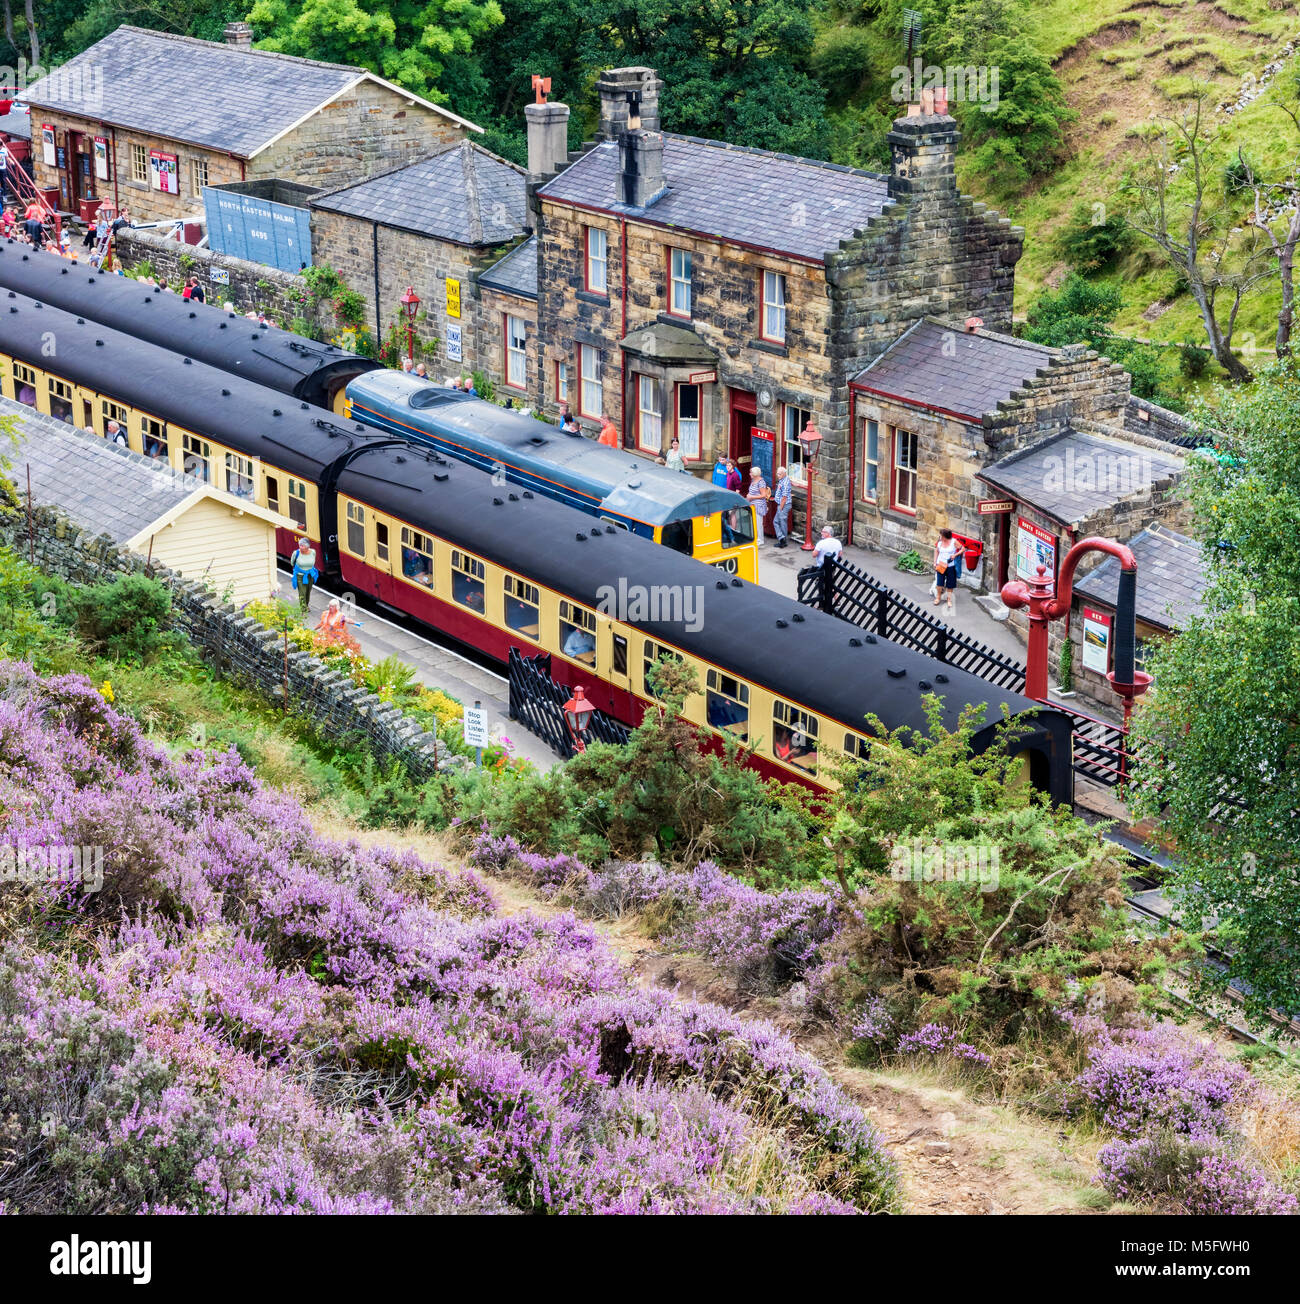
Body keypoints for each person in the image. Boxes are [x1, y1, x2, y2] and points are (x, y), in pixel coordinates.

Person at [933, 527, 963, 610]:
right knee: (939, 583)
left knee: (950, 584)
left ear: (945, 536)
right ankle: (938, 597)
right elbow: (936, 551)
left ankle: (949, 599)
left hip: (950, 566)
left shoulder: (954, 542)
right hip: (941, 565)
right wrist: (935, 562)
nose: (940, 536)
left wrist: (955, 555)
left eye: (941, 535)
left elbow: (962, 548)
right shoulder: (939, 542)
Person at [290, 537, 318, 614]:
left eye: (302, 546)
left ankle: (306, 605)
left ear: (307, 546)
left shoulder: (313, 552)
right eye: (300, 545)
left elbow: (313, 562)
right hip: (300, 575)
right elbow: (292, 563)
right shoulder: (296, 553)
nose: (300, 547)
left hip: (310, 575)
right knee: (302, 593)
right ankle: (303, 609)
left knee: (308, 591)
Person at [746, 466, 770, 541]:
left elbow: (763, 495)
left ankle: (760, 539)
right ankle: (755, 538)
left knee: (758, 523)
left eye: (751, 473)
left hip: (758, 506)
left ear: (755, 474)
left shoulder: (761, 482)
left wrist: (751, 497)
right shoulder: (753, 481)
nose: (750, 474)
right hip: (752, 504)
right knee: (754, 522)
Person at [772, 466, 792, 548]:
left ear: (784, 474)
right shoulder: (782, 480)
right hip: (781, 504)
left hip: (783, 505)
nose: (777, 475)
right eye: (777, 473)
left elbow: (784, 497)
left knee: (782, 522)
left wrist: (780, 507)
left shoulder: (786, 482)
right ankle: (782, 538)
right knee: (776, 521)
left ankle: (783, 541)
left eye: (779, 474)